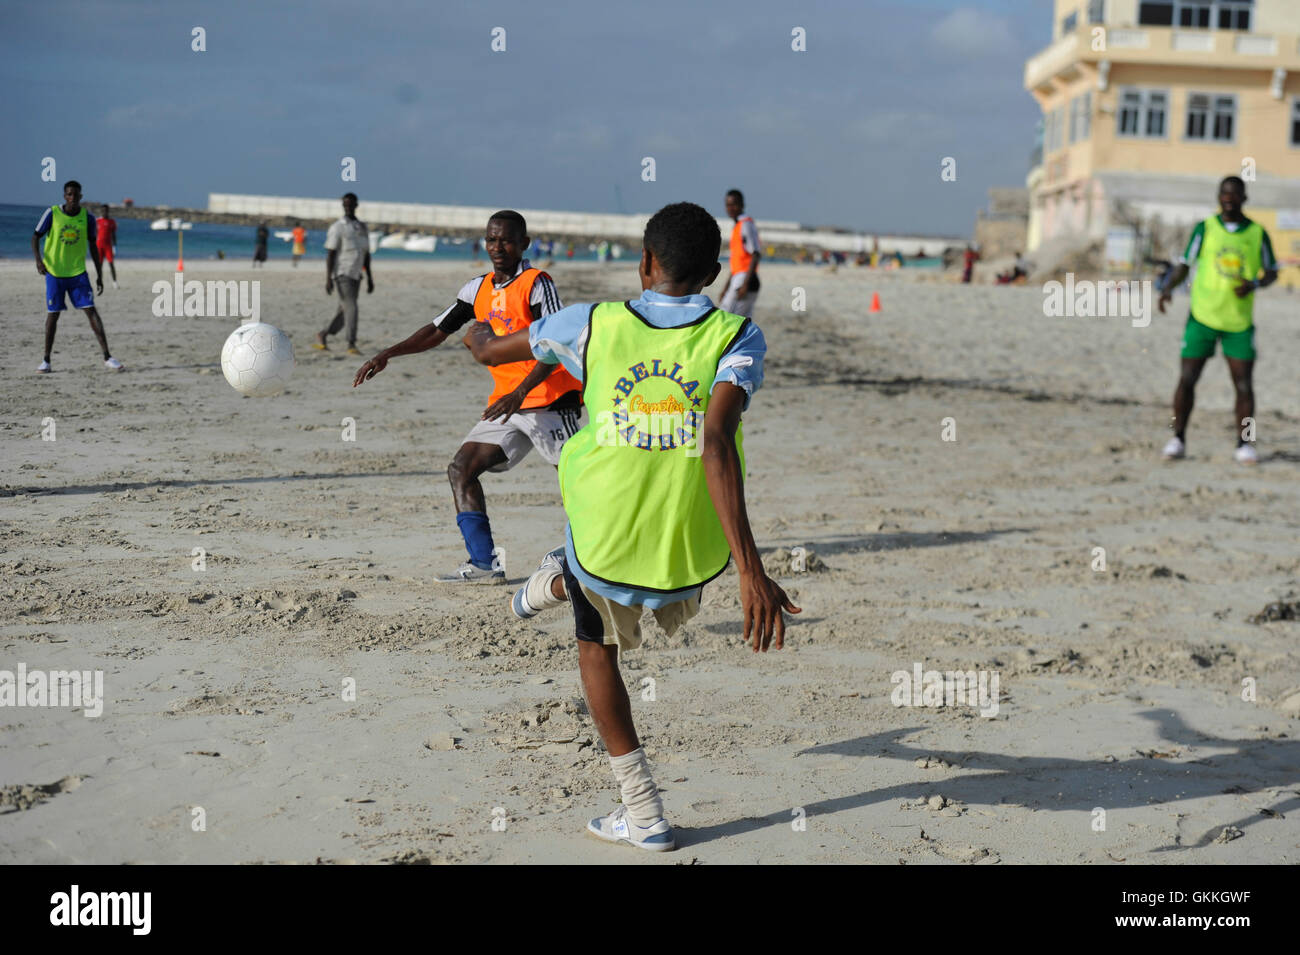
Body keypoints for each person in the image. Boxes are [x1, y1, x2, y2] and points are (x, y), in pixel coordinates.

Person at [463, 201, 798, 852]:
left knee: (596, 643)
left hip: (605, 535)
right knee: (602, 558)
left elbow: (489, 348)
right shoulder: (737, 337)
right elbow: (716, 440)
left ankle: (643, 813)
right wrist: (752, 572)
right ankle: (558, 576)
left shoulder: (591, 322)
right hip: (691, 546)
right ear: (712, 272)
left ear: (645, 263)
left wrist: (478, 331)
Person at [353, 211, 581, 582]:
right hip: (507, 403)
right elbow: (437, 330)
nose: (497, 247)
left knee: (578, 483)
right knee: (461, 468)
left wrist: (522, 390)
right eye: (491, 240)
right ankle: (483, 563)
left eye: (506, 240)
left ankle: (601, 553)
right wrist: (387, 354)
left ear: (524, 244)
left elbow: (555, 344)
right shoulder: (478, 289)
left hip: (550, 401)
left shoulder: (538, 284)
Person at [1158, 175, 1278, 465]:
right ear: (1218, 197)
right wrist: (1167, 288)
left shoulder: (1257, 233)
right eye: (1224, 193)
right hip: (1202, 317)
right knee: (1187, 379)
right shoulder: (1205, 228)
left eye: (1234, 194)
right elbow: (1185, 265)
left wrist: (1254, 284)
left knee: (1244, 385)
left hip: (1238, 321)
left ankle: (1245, 443)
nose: (1228, 198)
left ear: (1244, 198)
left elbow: (1271, 272)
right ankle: (1178, 438)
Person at [31, 181, 124, 373]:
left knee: (91, 312)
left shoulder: (88, 218)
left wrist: (99, 275)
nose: (72, 198)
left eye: (76, 195)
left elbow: (93, 246)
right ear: (65, 196)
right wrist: (39, 261)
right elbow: (35, 237)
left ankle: (108, 357)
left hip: (78, 274)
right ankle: (46, 360)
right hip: (55, 273)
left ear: (81, 196)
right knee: (53, 315)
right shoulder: (52, 213)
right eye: (69, 194)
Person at [314, 193, 372, 355]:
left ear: (356, 205)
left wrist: (370, 277)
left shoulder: (362, 227)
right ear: (342, 205)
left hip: (356, 274)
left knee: (344, 309)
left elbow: (366, 254)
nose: (348, 207)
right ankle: (351, 343)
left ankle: (323, 334)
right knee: (352, 307)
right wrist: (328, 279)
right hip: (342, 273)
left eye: (351, 204)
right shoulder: (337, 227)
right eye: (345, 204)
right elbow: (330, 254)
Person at [715, 189, 760, 318]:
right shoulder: (737, 226)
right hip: (738, 278)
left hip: (744, 279)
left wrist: (745, 284)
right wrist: (725, 287)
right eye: (727, 205)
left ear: (742, 205)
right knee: (741, 322)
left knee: (725, 317)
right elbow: (736, 263)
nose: (730, 208)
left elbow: (755, 254)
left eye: (733, 204)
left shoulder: (746, 225)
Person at [95, 204, 118, 288]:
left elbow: (114, 235)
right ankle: (100, 282)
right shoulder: (97, 221)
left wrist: (114, 247)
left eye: (106, 210)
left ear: (108, 211)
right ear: (101, 211)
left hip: (108, 246)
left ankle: (114, 282)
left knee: (111, 264)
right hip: (99, 246)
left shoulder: (112, 222)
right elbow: (93, 235)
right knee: (99, 265)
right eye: (103, 210)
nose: (104, 212)